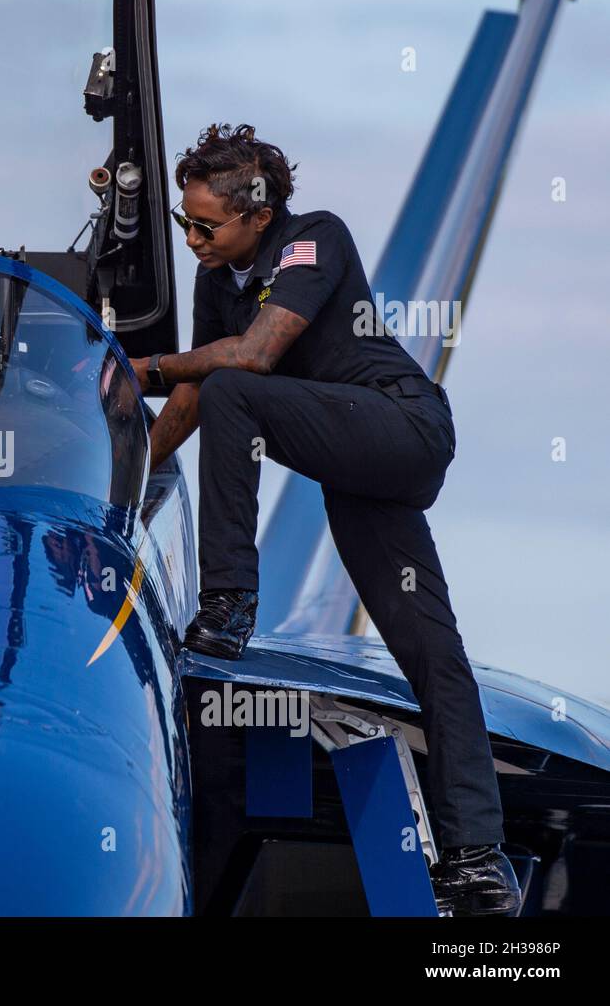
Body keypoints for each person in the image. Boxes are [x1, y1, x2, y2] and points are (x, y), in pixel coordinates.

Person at [131, 122, 520, 917]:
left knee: (240, 386)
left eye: (207, 225)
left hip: (400, 430)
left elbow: (252, 361)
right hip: (351, 467)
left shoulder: (314, 241)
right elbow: (190, 400)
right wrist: (124, 477)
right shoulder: (217, 285)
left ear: (258, 214)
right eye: (184, 223)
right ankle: (479, 861)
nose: (193, 239)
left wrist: (136, 363)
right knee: (433, 656)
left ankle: (230, 604)